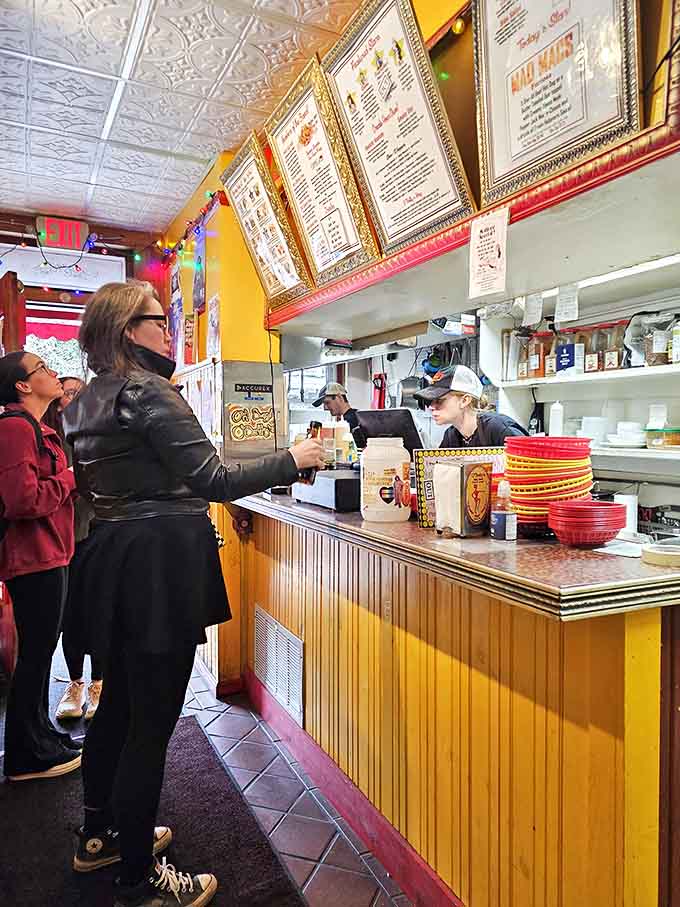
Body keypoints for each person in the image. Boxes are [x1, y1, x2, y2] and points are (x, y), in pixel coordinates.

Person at [62, 281, 324, 907]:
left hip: (113, 556)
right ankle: (138, 879)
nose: (168, 331)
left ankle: (99, 834)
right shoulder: (148, 390)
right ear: (130, 328)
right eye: (160, 320)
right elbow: (214, 478)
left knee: (119, 705)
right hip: (160, 564)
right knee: (150, 722)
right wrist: (295, 455)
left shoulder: (84, 400)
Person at [0, 352, 82, 781]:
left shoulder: (39, 428)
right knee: (34, 657)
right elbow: (23, 500)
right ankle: (23, 757)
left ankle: (40, 738)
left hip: (50, 553)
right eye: (43, 368)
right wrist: (70, 478)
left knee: (40, 653)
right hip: (33, 557)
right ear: (22, 385)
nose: (53, 372)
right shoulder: (15, 428)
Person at [45, 377, 103, 722]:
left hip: (100, 533)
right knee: (72, 617)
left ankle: (98, 684)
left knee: (101, 613)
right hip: (64, 539)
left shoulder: (102, 437)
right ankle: (75, 683)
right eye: (69, 392)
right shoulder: (50, 439)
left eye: (82, 393)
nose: (76, 398)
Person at [413, 364, 528, 447]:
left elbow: (536, 465)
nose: (432, 406)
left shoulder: (499, 429)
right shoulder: (451, 436)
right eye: (431, 400)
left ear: (465, 400)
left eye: (439, 400)